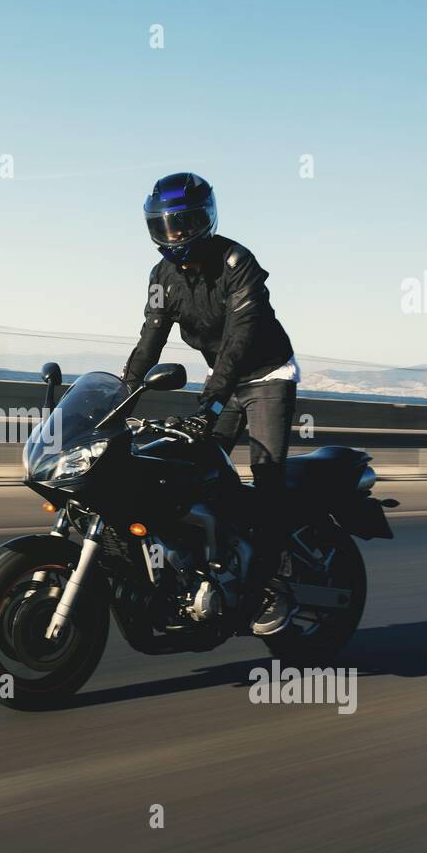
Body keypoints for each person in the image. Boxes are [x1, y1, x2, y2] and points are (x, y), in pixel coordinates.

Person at [121, 171, 301, 635]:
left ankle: (274, 583)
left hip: (265, 375)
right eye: (165, 225)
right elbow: (152, 336)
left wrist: (213, 398)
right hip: (221, 379)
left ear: (205, 220)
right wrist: (124, 391)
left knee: (266, 473)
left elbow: (240, 340)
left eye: (183, 223)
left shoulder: (238, 262)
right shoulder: (161, 276)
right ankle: (221, 563)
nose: (175, 234)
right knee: (198, 471)